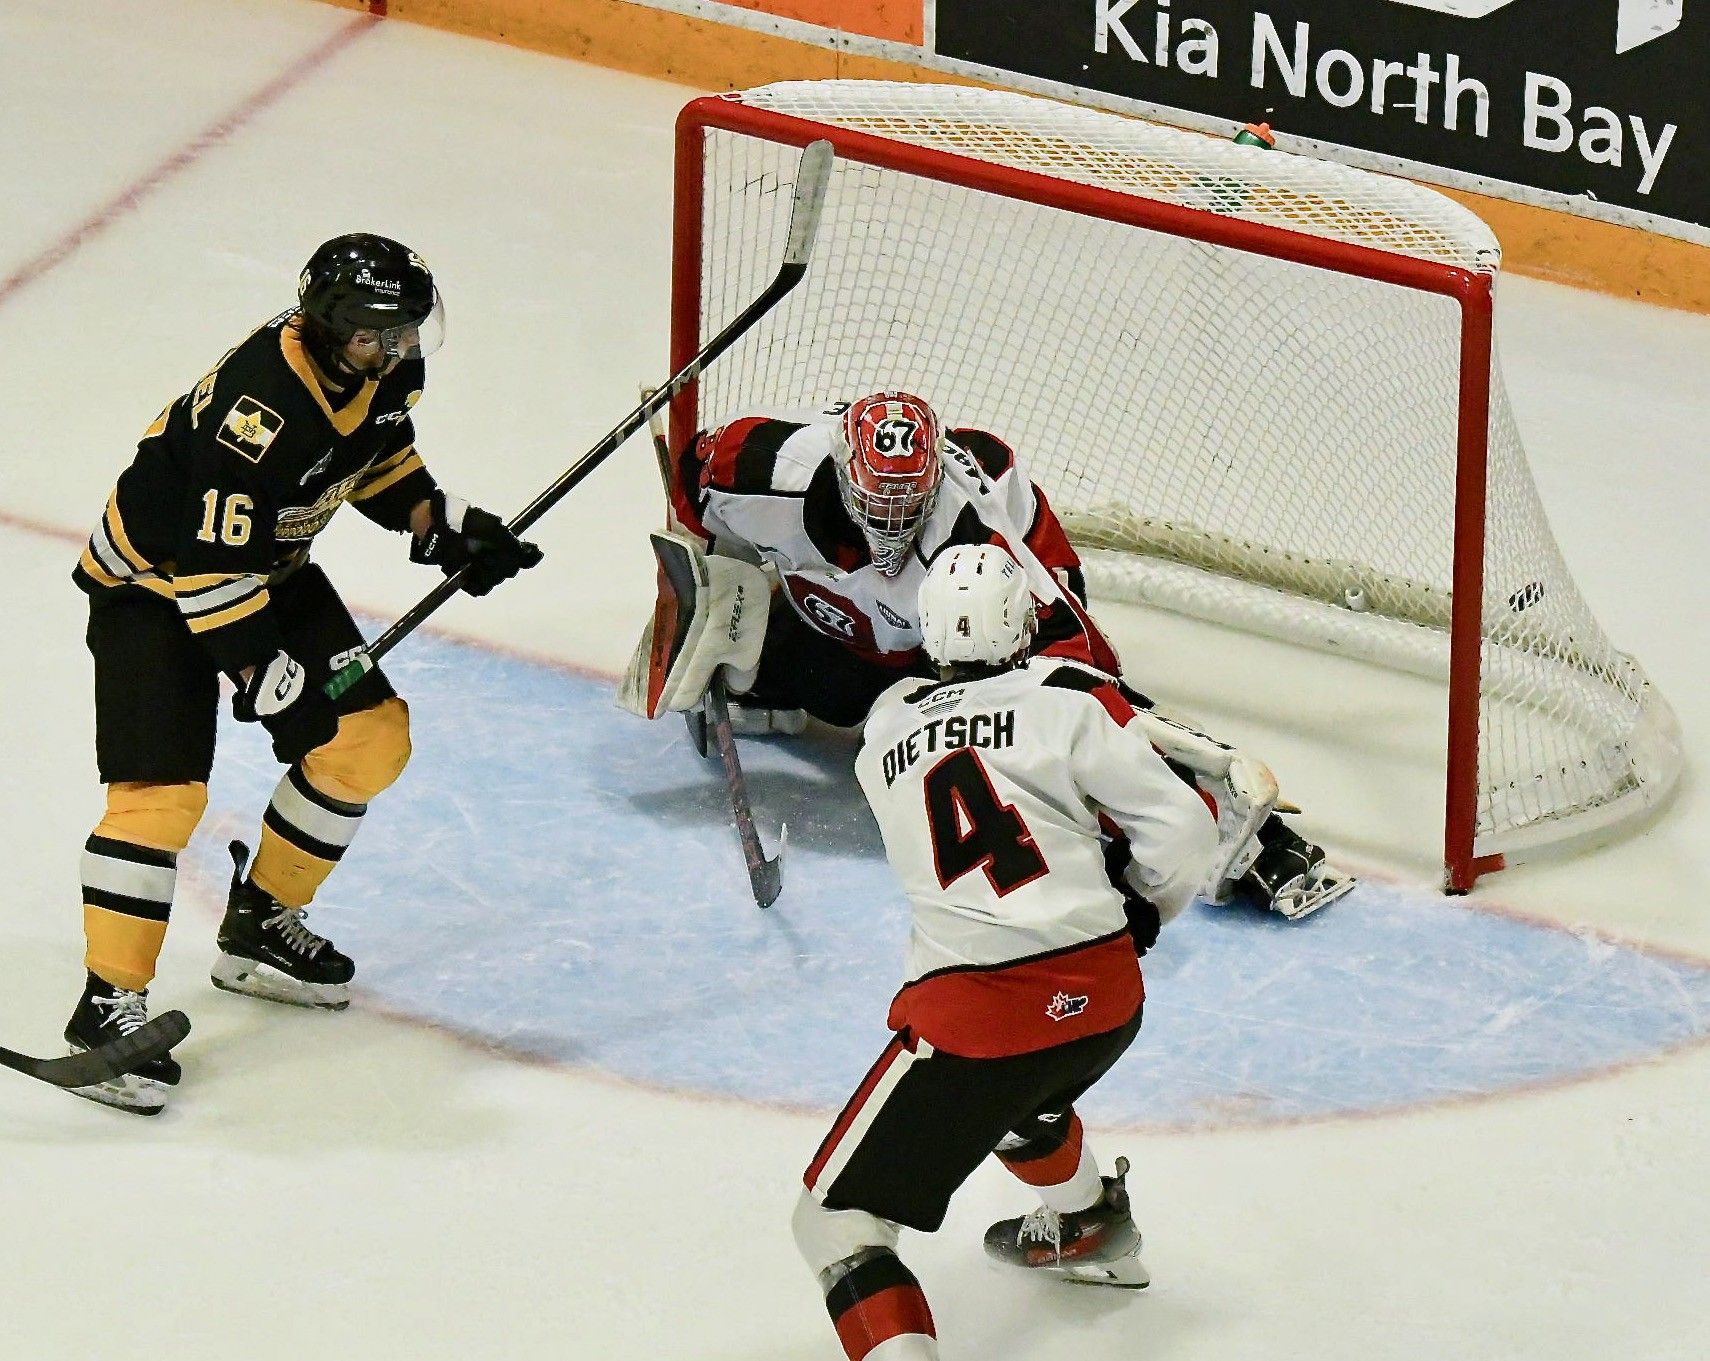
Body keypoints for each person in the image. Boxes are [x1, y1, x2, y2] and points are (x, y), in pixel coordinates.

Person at [65, 233, 543, 1114]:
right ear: (328, 328)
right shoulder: (261, 408)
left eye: (406, 332)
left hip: (266, 571)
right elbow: (208, 571)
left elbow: (371, 458)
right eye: (377, 335)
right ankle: (105, 1006)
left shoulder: (380, 365)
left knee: (367, 740)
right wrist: (263, 672)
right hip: (154, 588)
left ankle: (259, 921)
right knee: (161, 800)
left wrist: (439, 523)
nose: (396, 348)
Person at [622, 390, 1348, 920]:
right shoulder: (759, 467)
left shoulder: (966, 535)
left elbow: (1078, 664)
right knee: (833, 692)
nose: (892, 524)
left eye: (909, 504)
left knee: (1031, 728)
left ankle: (1246, 837)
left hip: (1005, 597)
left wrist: (1120, 739)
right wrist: (712, 584)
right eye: (878, 503)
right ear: (843, 471)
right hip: (868, 628)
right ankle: (779, 674)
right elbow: (691, 487)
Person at [790, 543, 1220, 1361]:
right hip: (1104, 999)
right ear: (1023, 624)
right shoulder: (1071, 696)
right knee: (1023, 1098)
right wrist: (1141, 906)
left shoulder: (884, 729)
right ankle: (1088, 1223)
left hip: (977, 1019)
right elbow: (1187, 828)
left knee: (834, 1225)